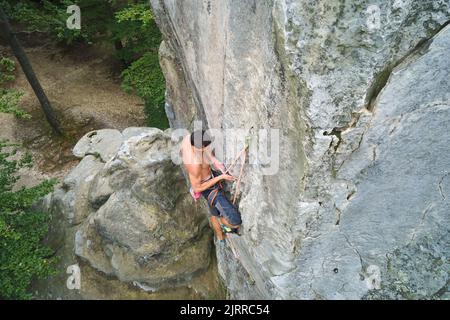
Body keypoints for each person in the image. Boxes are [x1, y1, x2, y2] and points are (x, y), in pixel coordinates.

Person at [181, 130, 242, 246]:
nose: (209, 148)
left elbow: (204, 149)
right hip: (207, 189)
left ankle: (220, 237)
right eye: (206, 146)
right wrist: (221, 177)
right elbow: (197, 188)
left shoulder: (189, 139)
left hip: (208, 176)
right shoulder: (194, 165)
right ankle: (222, 222)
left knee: (214, 213)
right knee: (236, 222)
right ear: (199, 147)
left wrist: (214, 160)